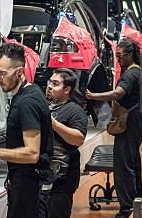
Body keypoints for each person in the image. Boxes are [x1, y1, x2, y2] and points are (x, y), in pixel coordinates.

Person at [0, 43, 53, 218]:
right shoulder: (28, 93)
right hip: (25, 181)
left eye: (3, 73)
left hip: (30, 185)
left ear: (19, 72)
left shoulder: (27, 102)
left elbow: (32, 153)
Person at [86, 38, 142, 218]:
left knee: (123, 169)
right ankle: (137, 202)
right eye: (116, 55)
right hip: (136, 122)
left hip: (128, 125)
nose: (118, 59)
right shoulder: (139, 71)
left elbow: (117, 93)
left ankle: (126, 208)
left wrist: (92, 95)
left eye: (120, 55)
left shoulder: (129, 74)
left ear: (130, 54)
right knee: (133, 165)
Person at [39, 68, 88, 218]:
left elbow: (78, 138)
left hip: (62, 180)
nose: (49, 86)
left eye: (55, 83)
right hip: (44, 174)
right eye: (49, 82)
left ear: (67, 89)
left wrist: (54, 124)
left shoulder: (75, 111)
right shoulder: (46, 106)